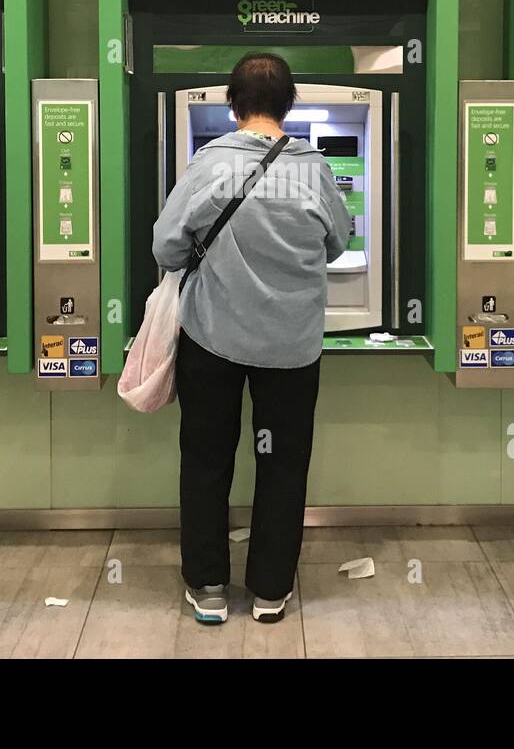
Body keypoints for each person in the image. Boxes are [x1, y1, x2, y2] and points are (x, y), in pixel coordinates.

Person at [152, 53, 350, 624]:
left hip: (212, 340)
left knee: (207, 459)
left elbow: (166, 247)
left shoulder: (207, 164)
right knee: (284, 463)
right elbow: (337, 243)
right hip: (291, 346)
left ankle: (208, 586)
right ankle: (269, 591)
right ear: (289, 104)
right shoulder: (313, 168)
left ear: (230, 103)